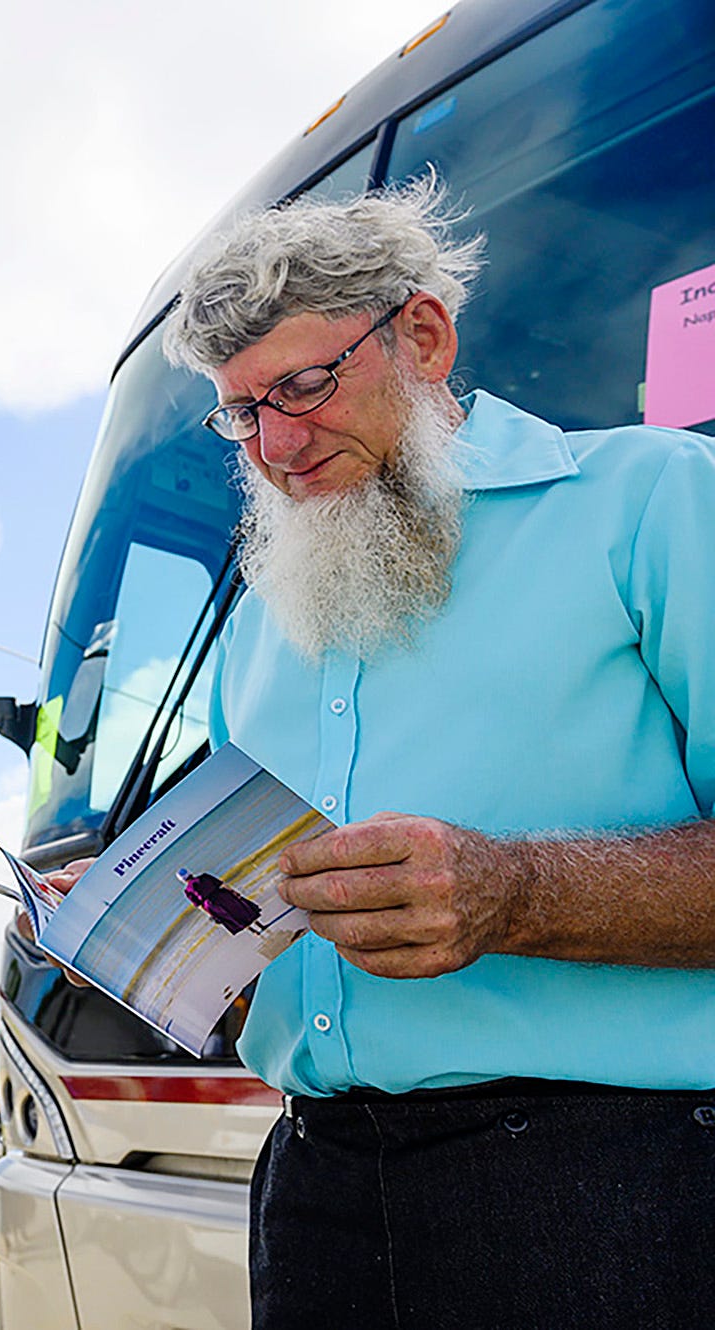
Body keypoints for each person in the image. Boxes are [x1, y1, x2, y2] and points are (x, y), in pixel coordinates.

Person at [140, 178, 715, 1328]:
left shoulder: (648, 497)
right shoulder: (260, 612)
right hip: (315, 1186)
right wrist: (145, 926)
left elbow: (502, 891)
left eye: (302, 385)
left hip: (607, 1180)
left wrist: (516, 891)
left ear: (421, 333)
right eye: (240, 414)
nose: (278, 445)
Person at [176, 867, 264, 935]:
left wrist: (210, 914)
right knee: (241, 908)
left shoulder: (187, 891)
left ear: (182, 880)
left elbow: (199, 905)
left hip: (210, 905)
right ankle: (260, 925)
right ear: (190, 872)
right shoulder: (204, 876)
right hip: (221, 895)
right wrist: (233, 891)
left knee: (232, 917)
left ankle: (254, 932)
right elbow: (221, 884)